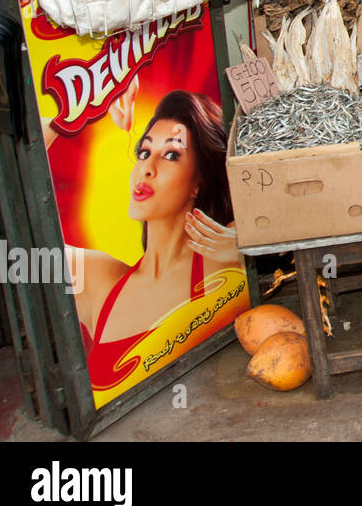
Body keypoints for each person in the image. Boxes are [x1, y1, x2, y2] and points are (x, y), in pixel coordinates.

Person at [73, 90, 241, 391]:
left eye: (172, 155)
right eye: (144, 152)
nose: (147, 168)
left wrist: (248, 248)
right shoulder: (98, 278)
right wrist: (83, 104)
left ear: (198, 182)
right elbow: (23, 248)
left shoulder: (223, 251)